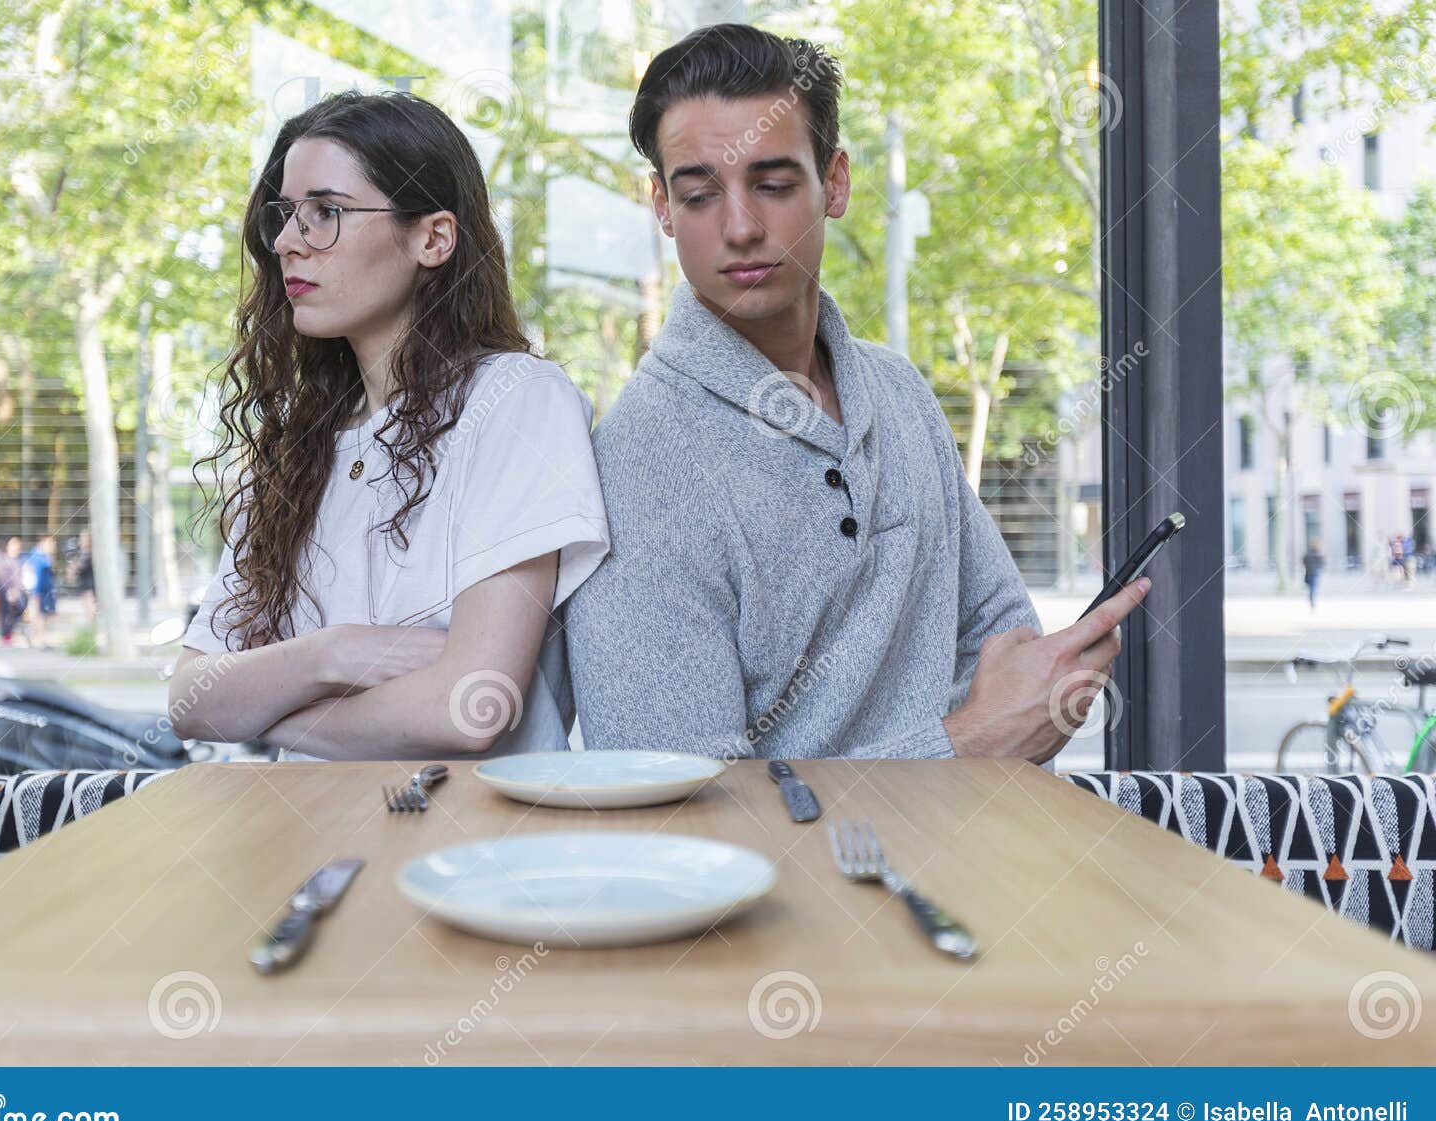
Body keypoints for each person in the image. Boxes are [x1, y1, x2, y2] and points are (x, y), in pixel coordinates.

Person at [565, 25, 1147, 764]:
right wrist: (971, 743)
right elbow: (686, 817)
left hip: (977, 856)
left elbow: (996, 627)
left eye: (774, 186)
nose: (741, 227)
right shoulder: (637, 467)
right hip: (809, 881)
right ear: (662, 206)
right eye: (701, 194)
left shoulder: (897, 390)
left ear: (834, 182)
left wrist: (1025, 691)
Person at [170, 90, 609, 761]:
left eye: (326, 212)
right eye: (284, 215)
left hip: (475, 847)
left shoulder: (516, 401)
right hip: (305, 843)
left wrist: (269, 710)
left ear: (433, 237)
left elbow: (470, 706)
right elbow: (191, 698)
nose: (288, 241)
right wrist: (332, 654)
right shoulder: (301, 441)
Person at [0, 535, 28, 647]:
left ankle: (8, 634)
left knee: (18, 611)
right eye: (14, 544)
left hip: (19, 592)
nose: (17, 547)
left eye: (18, 544)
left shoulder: (20, 560)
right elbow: (2, 578)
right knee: (6, 614)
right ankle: (6, 637)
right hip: (5, 592)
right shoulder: (2, 561)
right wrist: (10, 591)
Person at [26, 534, 59, 648]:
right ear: (43, 543)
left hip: (45, 591)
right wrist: (36, 593)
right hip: (40, 592)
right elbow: (37, 577)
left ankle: (32, 634)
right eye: (50, 543)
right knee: (40, 616)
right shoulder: (37, 557)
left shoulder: (45, 556)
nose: (53, 546)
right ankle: (40, 639)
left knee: (43, 616)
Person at [1302, 538, 1324, 611]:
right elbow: (1322, 563)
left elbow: (1304, 561)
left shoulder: (1310, 553)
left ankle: (1312, 602)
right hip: (1313, 573)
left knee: (1312, 589)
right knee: (1313, 589)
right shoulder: (1317, 554)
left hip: (1311, 573)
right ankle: (1312, 602)